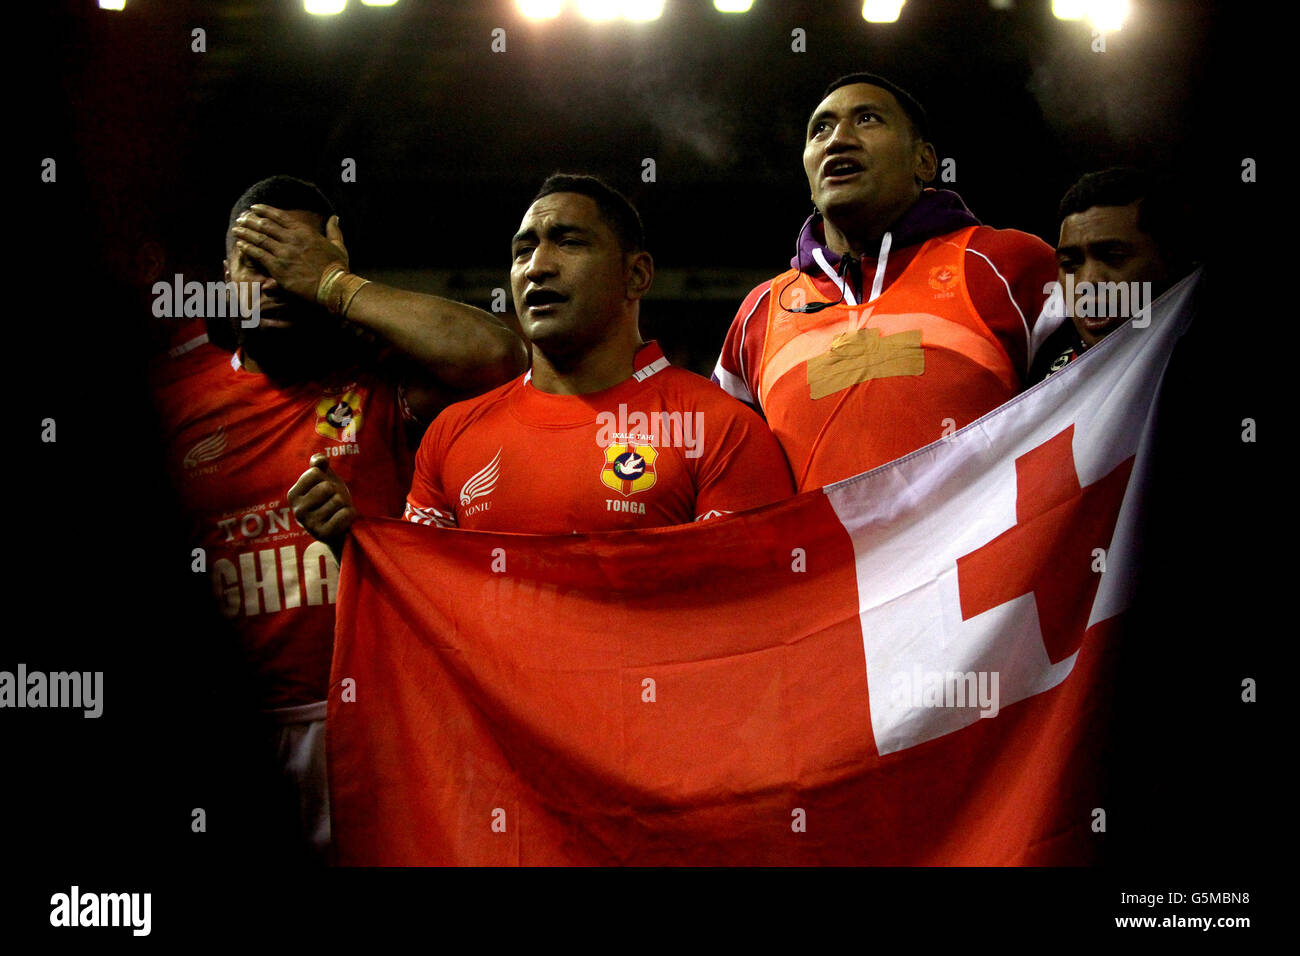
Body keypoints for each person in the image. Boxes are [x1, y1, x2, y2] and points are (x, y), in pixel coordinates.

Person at [151, 174, 526, 861]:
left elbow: (502, 357)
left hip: (372, 712)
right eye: (256, 264)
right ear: (224, 275)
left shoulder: (381, 371)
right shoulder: (176, 394)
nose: (273, 282)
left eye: (293, 262)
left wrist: (332, 283)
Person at [289, 174, 794, 551]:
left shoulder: (720, 429)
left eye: (569, 242)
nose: (537, 266)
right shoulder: (452, 433)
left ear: (637, 275)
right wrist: (347, 541)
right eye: (522, 250)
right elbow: (432, 600)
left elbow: (747, 615)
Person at [712, 73, 1060, 491]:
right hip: (820, 558)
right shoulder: (759, 313)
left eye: (868, 119)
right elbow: (727, 488)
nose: (837, 140)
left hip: (981, 556)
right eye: (820, 129)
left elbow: (1100, 411)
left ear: (925, 162)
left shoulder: (1010, 264)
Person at [1030, 166, 1191, 382]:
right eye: (1070, 263)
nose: (1087, 281)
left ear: (1171, 260)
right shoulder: (1047, 360)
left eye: (1113, 257)